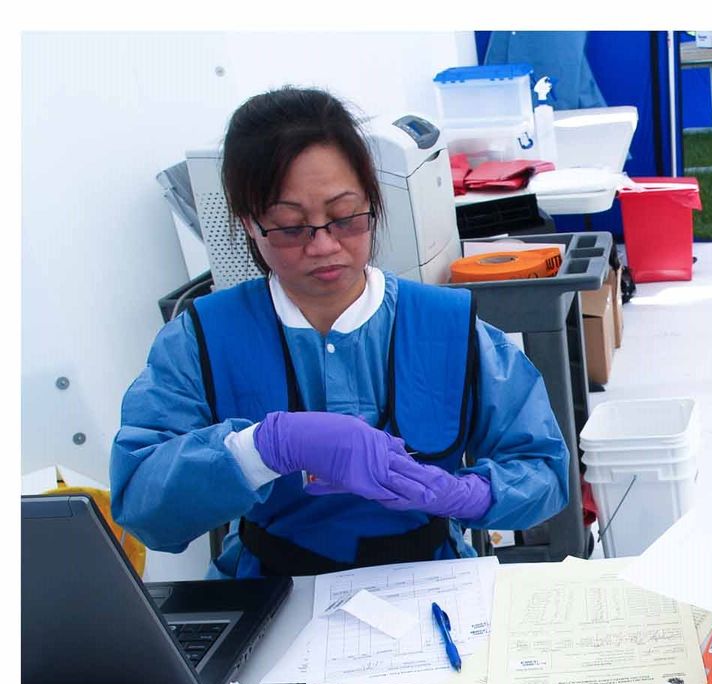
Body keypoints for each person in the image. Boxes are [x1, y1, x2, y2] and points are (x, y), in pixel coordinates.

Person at [112, 87, 568, 577]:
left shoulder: (446, 327)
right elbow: (143, 507)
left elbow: (543, 466)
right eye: (290, 226)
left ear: (372, 201)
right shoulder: (202, 339)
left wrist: (472, 494)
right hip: (268, 592)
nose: (324, 245)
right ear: (248, 223)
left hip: (430, 581)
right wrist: (261, 447)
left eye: (345, 216)